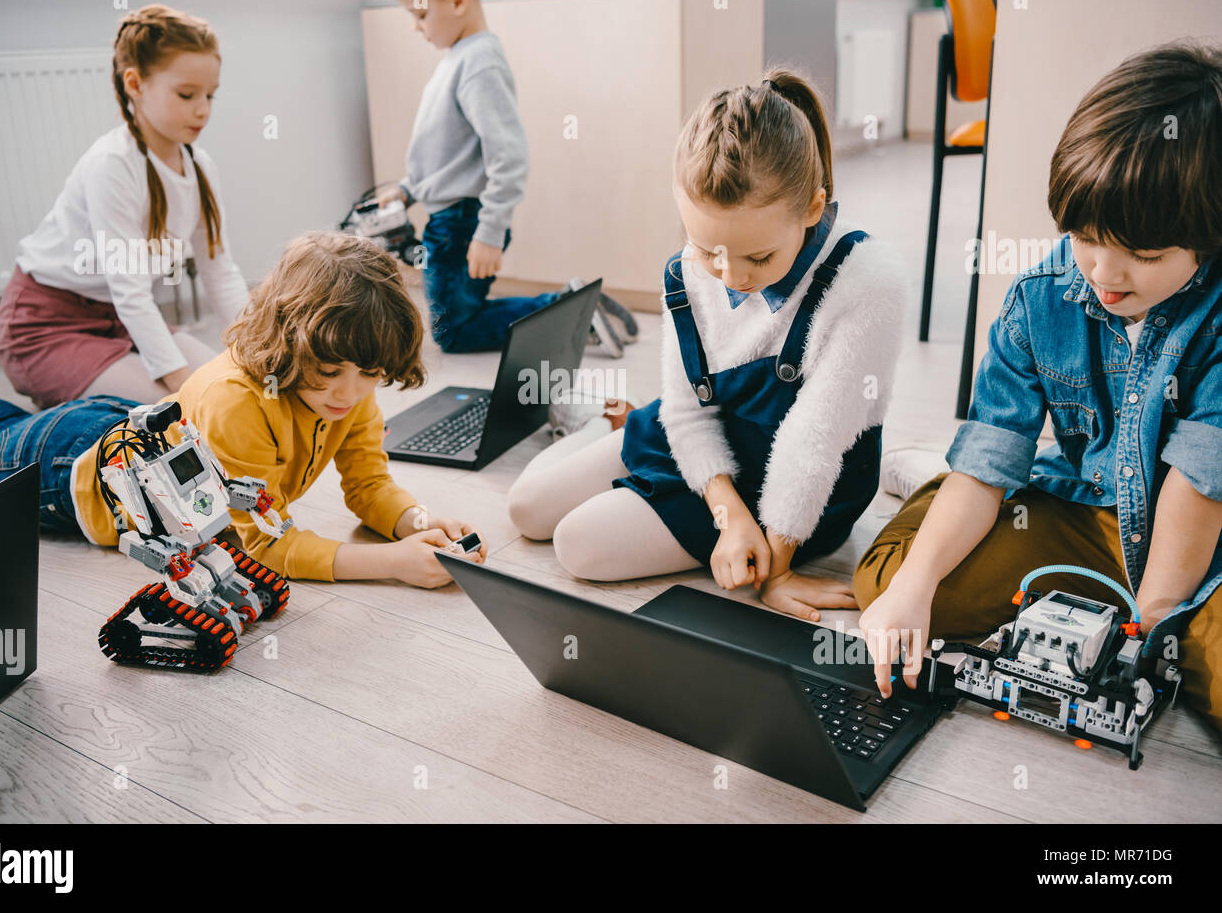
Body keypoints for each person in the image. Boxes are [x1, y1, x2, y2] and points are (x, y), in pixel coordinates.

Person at [854, 42, 1222, 734]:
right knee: (891, 584)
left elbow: (1197, 495)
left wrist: (1139, 638)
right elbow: (991, 461)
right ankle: (934, 475)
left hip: (1203, 535)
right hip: (1086, 506)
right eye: (1084, 236)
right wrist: (915, 587)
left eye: (1144, 254)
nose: (1104, 273)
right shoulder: (1041, 297)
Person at [507, 67, 906, 619]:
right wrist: (727, 514)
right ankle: (606, 419)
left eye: (757, 257)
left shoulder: (867, 283)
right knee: (526, 510)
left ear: (812, 209)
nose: (728, 276)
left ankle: (621, 448)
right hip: (702, 442)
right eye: (706, 248)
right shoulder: (693, 269)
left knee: (578, 544)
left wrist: (779, 567)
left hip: (795, 493)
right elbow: (687, 412)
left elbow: (811, 443)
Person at [0, 232, 484, 588]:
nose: (349, 393)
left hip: (118, 424)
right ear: (288, 342)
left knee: (5, 433)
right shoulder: (237, 403)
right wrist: (394, 564)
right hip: (71, 473)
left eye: (368, 375)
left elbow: (368, 484)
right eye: (331, 372)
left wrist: (418, 522)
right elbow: (265, 543)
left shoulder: (349, 388)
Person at [0, 4, 249, 409]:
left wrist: (258, 353)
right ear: (135, 83)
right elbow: (131, 293)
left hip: (116, 320)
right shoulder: (112, 165)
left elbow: (219, 271)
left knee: (231, 391)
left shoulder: (201, 165)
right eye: (186, 94)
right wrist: (184, 387)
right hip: (46, 327)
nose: (203, 109)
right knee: (190, 408)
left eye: (210, 95)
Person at [382, 0, 637, 355]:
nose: (416, 27)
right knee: (459, 318)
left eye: (419, 14)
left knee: (454, 330)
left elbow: (509, 156)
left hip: (463, 223)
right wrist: (408, 189)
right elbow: (447, 151)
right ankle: (570, 309)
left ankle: (567, 311)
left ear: (457, 1)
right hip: (451, 219)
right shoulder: (459, 58)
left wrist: (489, 231)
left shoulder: (479, 63)